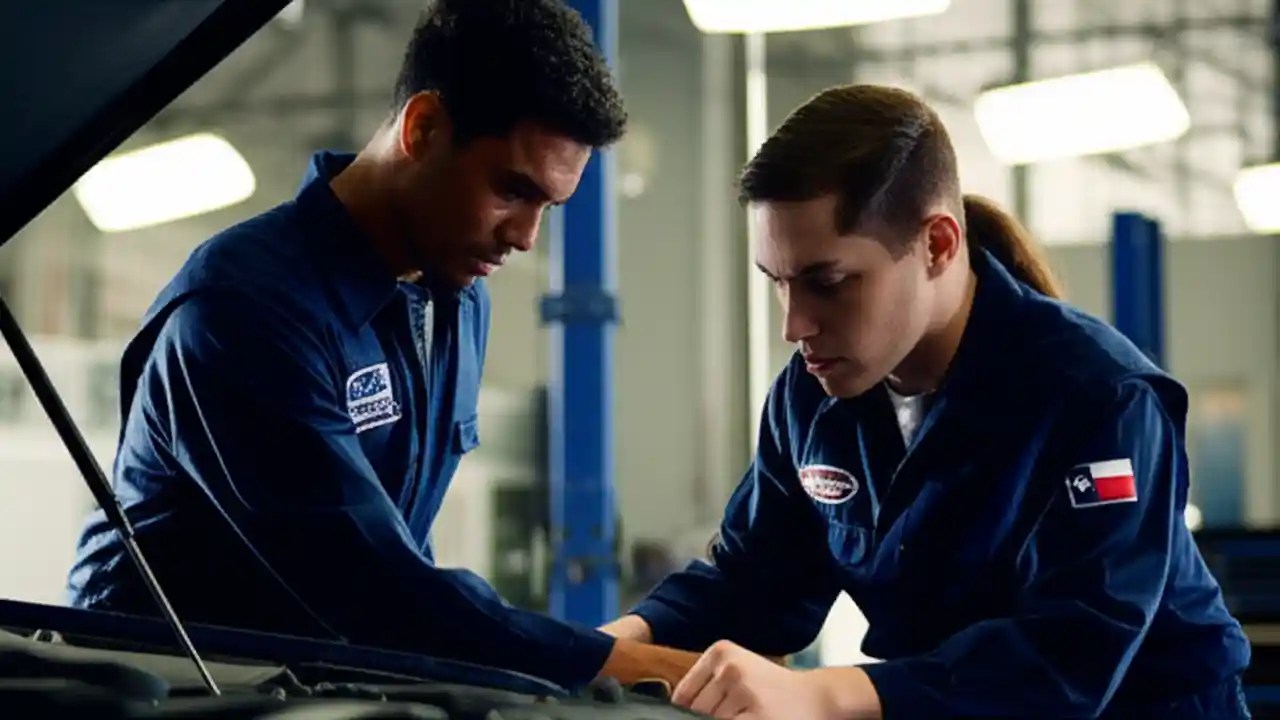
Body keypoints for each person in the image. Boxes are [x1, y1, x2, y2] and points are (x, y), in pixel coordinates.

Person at [66, 0, 696, 692]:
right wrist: (633, 667)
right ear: (423, 128)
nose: (525, 237)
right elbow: (372, 588)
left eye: (549, 206)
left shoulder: (456, 297)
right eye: (512, 190)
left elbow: (400, 561)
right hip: (161, 689)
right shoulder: (244, 309)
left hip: (316, 679)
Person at [601, 84, 1253, 719]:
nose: (794, 326)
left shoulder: (1099, 398)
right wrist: (612, 648)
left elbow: (1072, 653)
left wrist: (823, 696)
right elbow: (756, 582)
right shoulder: (811, 397)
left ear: (938, 245)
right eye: (778, 284)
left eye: (827, 283)